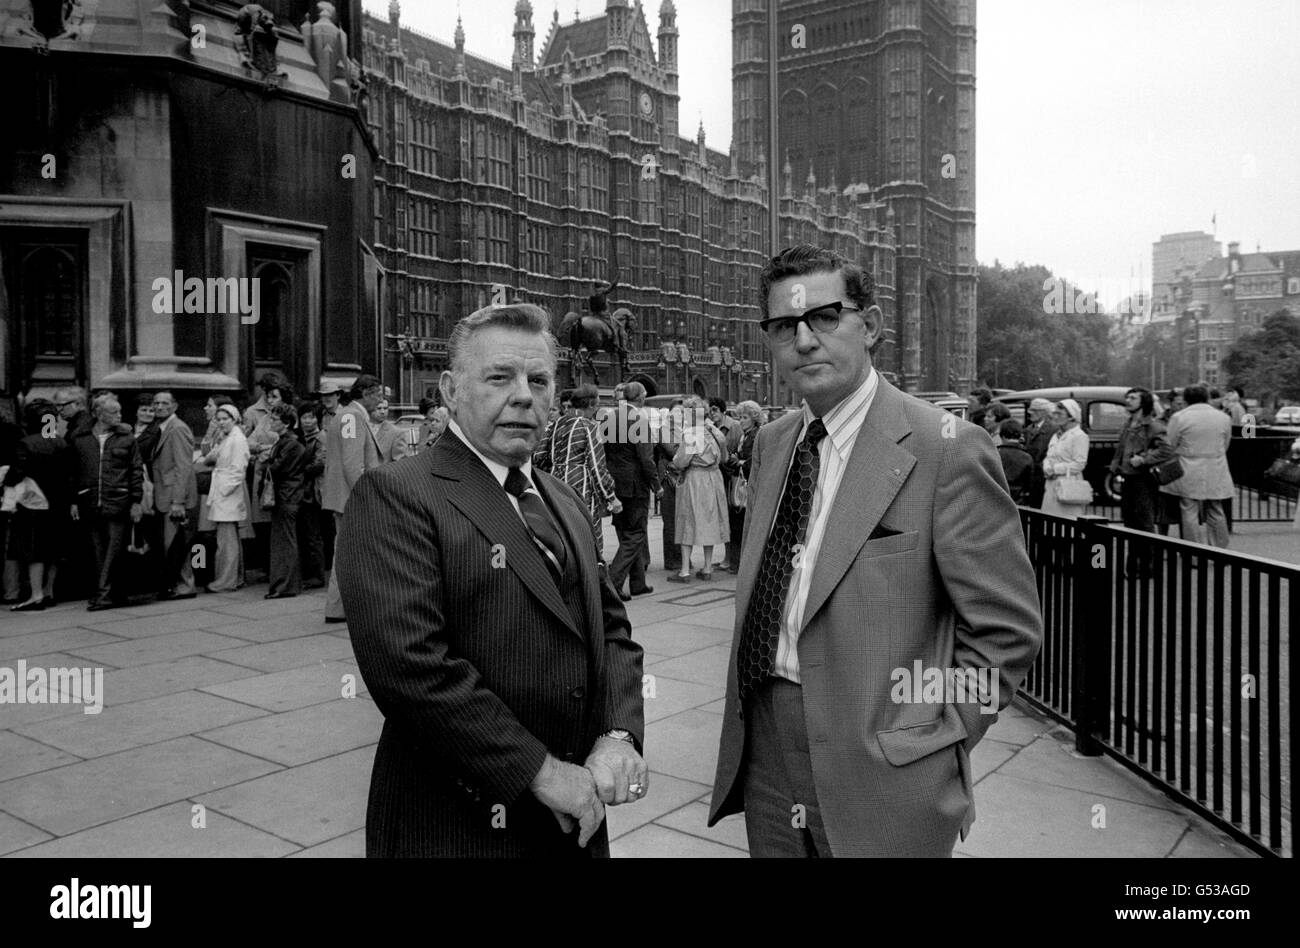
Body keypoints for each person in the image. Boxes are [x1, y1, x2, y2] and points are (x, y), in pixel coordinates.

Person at [708, 245, 1041, 857]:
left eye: (825, 317)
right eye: (785, 326)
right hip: (767, 756)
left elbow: (1007, 631)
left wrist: (940, 737)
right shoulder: (774, 442)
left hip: (885, 766)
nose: (804, 340)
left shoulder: (948, 450)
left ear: (872, 325)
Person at [336, 303, 646, 857]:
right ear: (451, 390)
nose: (524, 395)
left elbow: (613, 628)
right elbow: (410, 667)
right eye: (500, 377)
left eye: (539, 379)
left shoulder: (564, 498)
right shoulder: (399, 494)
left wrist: (619, 735)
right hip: (460, 826)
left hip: (577, 821)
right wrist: (541, 772)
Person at [70, 393, 144, 611]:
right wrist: (74, 500)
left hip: (118, 500)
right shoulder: (80, 438)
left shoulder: (127, 438)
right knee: (97, 550)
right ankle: (111, 594)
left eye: (120, 411)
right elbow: (73, 472)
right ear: (98, 414)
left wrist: (136, 501)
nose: (119, 416)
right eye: (114, 412)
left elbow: (136, 470)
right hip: (90, 500)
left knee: (113, 550)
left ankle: (103, 595)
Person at [321, 373, 385, 622]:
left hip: (343, 497)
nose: (380, 400)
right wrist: (365, 498)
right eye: (378, 394)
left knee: (347, 552)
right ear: (367, 393)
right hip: (352, 499)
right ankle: (339, 608)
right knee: (349, 553)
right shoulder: (353, 416)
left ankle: (340, 607)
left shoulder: (347, 415)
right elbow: (352, 464)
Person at [532, 383, 620, 559]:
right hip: (581, 485)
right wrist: (611, 497)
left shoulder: (556, 425)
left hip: (556, 483)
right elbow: (596, 465)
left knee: (563, 528)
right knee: (587, 530)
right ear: (590, 405)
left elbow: (539, 456)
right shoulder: (589, 427)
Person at [5, 399, 72, 610]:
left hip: (33, 504)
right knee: (53, 548)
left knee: (34, 551)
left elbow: (17, 474)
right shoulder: (60, 441)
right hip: (58, 502)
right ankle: (50, 590)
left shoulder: (27, 443)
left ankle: (36, 595)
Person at [603, 381, 659, 601]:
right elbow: (646, 459)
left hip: (616, 483)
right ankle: (613, 583)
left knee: (627, 532)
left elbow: (605, 450)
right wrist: (657, 484)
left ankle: (638, 583)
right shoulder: (640, 420)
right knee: (635, 534)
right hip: (636, 485)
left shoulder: (608, 417)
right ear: (641, 398)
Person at [1159, 383, 1234, 548]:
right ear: (1206, 397)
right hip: (1216, 465)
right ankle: (1220, 549)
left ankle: (1193, 552)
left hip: (1188, 465)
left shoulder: (1179, 417)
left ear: (1186, 399)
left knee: (1189, 509)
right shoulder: (1223, 417)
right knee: (1216, 508)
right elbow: (1226, 443)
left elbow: (1170, 443)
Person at [668, 396, 729, 583]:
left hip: (694, 478)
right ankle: (707, 567)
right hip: (713, 478)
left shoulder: (691, 434)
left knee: (688, 521)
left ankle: (685, 570)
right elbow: (725, 457)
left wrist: (675, 462)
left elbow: (681, 461)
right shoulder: (716, 432)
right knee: (709, 521)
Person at [149, 391, 199, 600]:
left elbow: (183, 467)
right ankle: (179, 584)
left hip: (173, 497)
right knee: (173, 542)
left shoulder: (177, 428)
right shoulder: (163, 427)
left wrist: (178, 501)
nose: (160, 406)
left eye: (165, 403)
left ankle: (185, 585)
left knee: (177, 542)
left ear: (174, 406)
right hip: (165, 494)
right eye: (157, 403)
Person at [199, 403, 251, 592]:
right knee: (228, 540)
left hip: (226, 495)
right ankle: (233, 578)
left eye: (225, 419)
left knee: (226, 542)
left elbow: (238, 471)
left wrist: (223, 491)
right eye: (218, 419)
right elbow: (209, 457)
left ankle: (225, 581)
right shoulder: (228, 437)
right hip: (224, 493)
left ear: (234, 419)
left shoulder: (237, 440)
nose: (221, 422)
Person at [1109, 387, 1172, 535]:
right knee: (1129, 521)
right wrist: (1115, 464)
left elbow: (1166, 450)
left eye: (1133, 398)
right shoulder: (1128, 424)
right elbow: (1122, 446)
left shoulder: (1153, 426)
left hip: (1143, 479)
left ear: (1144, 402)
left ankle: (1147, 557)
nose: (1128, 401)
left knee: (1144, 522)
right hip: (1127, 477)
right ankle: (1134, 556)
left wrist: (1144, 459)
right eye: (1127, 398)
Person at [263, 403, 308, 598]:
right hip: (287, 495)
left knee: (285, 542)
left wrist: (266, 460)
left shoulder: (290, 443)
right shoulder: (287, 442)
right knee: (284, 541)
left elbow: (275, 468)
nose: (271, 422)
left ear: (287, 423)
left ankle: (284, 586)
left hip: (287, 496)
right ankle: (285, 585)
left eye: (275, 419)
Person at [723, 400, 761, 569]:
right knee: (737, 522)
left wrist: (738, 462)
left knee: (743, 522)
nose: (741, 420)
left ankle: (741, 563)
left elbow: (754, 460)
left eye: (745, 417)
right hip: (740, 483)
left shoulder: (756, 435)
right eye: (740, 417)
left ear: (754, 418)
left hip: (748, 484)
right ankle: (736, 561)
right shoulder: (744, 435)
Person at [1040, 399, 1091, 518]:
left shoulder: (1080, 436)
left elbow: (1079, 464)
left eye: (1059, 414)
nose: (1055, 417)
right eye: (1055, 413)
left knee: (1067, 519)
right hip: (1051, 482)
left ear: (1071, 417)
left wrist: (1055, 469)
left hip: (1069, 484)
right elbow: (1049, 456)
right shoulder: (1055, 435)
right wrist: (1047, 468)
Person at [296, 401, 328, 589]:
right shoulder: (304, 438)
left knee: (313, 535)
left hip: (314, 493)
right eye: (304, 417)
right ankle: (309, 573)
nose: (307, 421)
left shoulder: (321, 438)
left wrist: (298, 470)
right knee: (306, 534)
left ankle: (317, 575)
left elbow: (319, 463)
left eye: (311, 417)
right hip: (304, 491)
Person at [1022, 397, 1057, 508]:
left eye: (1034, 411)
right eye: (1030, 410)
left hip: (1043, 475)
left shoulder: (1053, 429)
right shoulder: (1028, 429)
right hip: (1030, 476)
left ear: (1043, 413)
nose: (1030, 413)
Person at [996, 419, 1034, 504]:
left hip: (996, 499)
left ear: (1002, 436)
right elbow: (1029, 484)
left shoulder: (996, 453)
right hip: (1018, 501)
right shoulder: (1027, 457)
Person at [370, 398, 410, 464]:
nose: (382, 412)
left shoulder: (396, 433)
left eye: (385, 408)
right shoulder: (362, 429)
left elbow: (401, 463)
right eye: (379, 408)